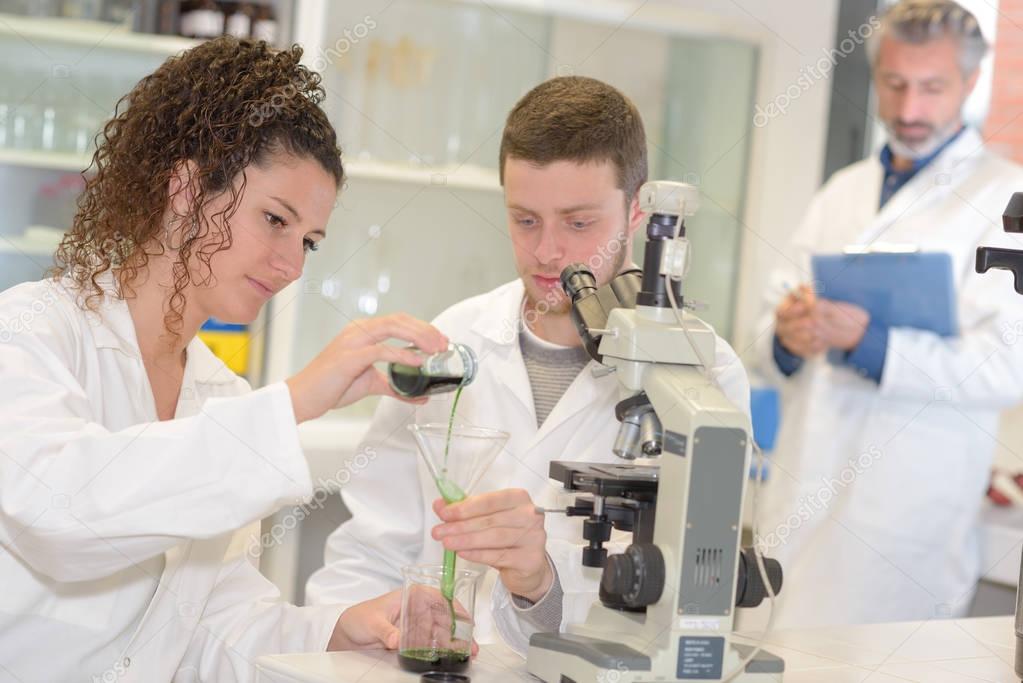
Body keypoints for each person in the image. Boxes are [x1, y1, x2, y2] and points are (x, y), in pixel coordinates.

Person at [0, 37, 451, 682]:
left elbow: (214, 628)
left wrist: (334, 631)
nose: (292, 265)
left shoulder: (222, 394)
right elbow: (59, 519)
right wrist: (296, 402)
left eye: (309, 242)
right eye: (275, 219)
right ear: (186, 189)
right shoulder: (29, 332)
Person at [306, 76, 753, 653]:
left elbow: (696, 599)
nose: (547, 252)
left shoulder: (702, 374)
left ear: (636, 211)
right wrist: (359, 636)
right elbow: (368, 551)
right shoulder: (454, 339)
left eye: (579, 223)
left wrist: (541, 583)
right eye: (525, 220)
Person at [752, 0, 1023, 629]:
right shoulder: (842, 190)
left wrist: (872, 344)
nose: (909, 108)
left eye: (932, 87)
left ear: (970, 82)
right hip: (800, 492)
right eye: (895, 84)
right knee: (773, 654)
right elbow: (765, 324)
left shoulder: (1004, 199)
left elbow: (1008, 366)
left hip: (904, 524)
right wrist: (786, 337)